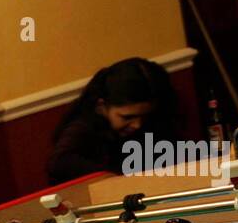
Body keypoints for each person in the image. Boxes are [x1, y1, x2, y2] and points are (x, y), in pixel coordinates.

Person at [46, 57, 178, 185]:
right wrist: (114, 179)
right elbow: (59, 162)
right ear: (101, 106)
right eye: (127, 117)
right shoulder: (82, 126)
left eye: (144, 116)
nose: (138, 125)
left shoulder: (156, 120)